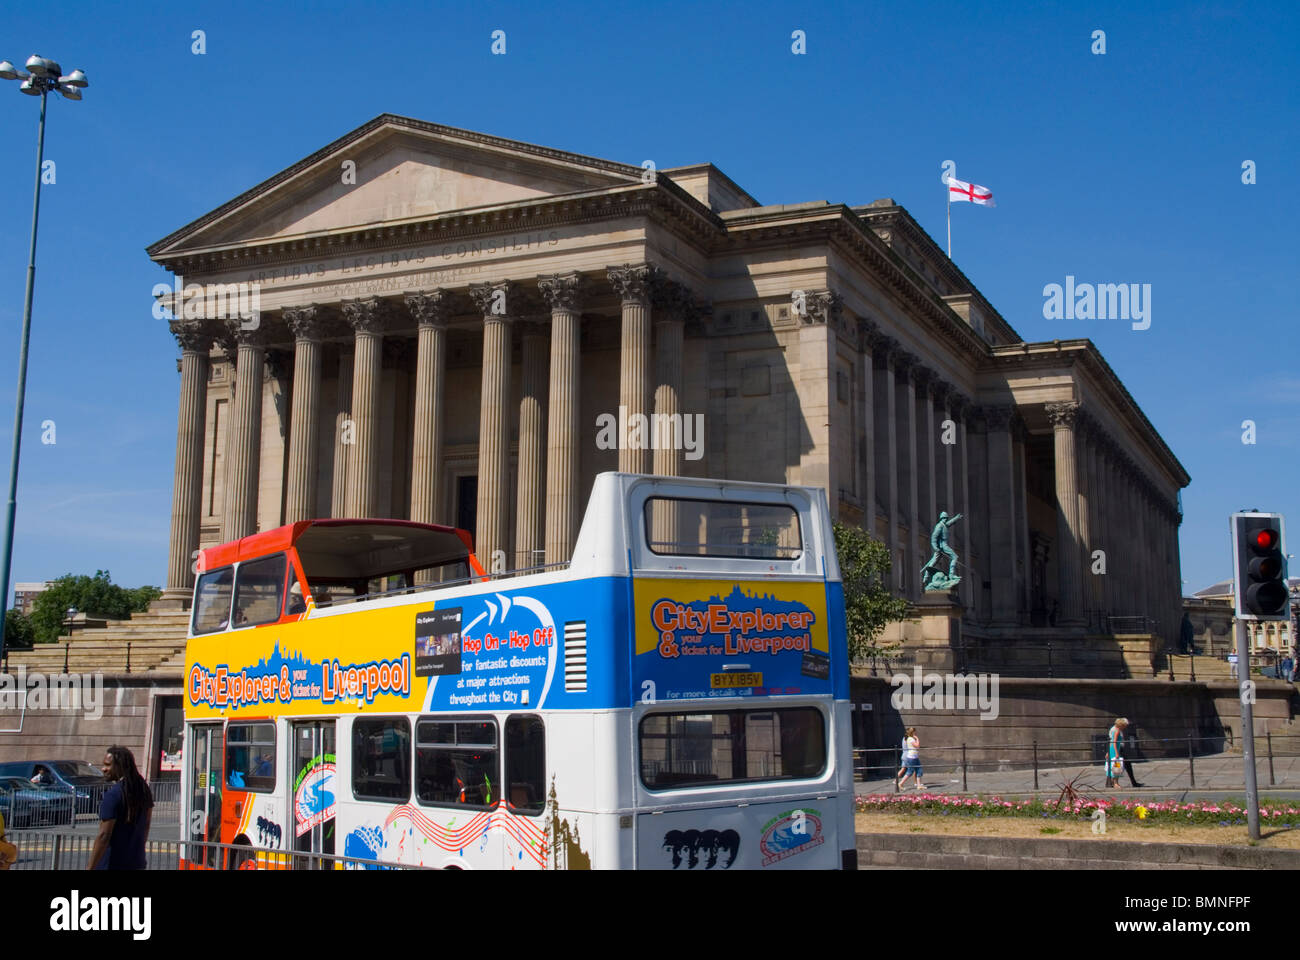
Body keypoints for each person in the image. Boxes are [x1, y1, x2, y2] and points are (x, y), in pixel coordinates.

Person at [89, 746, 154, 870]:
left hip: (111, 864)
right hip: (136, 862)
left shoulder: (113, 795)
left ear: (120, 766)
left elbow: (104, 835)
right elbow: (146, 824)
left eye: (108, 765)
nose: (103, 769)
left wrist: (90, 868)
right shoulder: (144, 791)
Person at [1105, 717, 1139, 789]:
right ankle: (1115, 783)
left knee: (1113, 766)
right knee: (1117, 766)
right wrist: (1117, 753)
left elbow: (1111, 742)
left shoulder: (1115, 730)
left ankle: (1112, 783)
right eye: (1125, 725)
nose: (1125, 727)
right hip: (1115, 750)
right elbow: (1114, 742)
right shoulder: (1117, 731)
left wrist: (1108, 752)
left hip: (1113, 750)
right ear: (1122, 725)